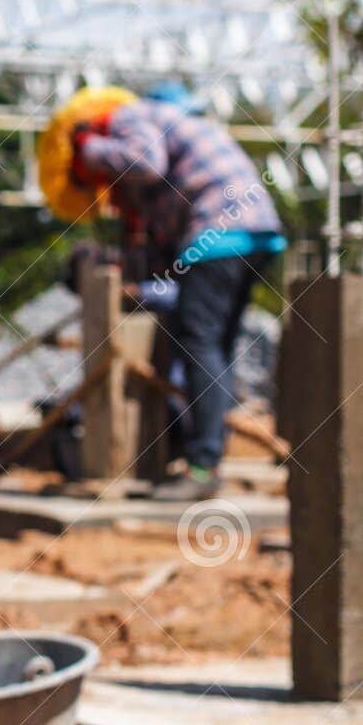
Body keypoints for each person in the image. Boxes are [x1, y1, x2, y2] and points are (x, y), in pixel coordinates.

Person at [65, 89, 286, 501]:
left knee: (196, 340)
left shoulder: (128, 118)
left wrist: (88, 148)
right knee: (213, 347)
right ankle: (203, 456)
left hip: (219, 228)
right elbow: (162, 246)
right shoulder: (176, 138)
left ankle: (202, 466)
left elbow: (145, 163)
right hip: (254, 231)